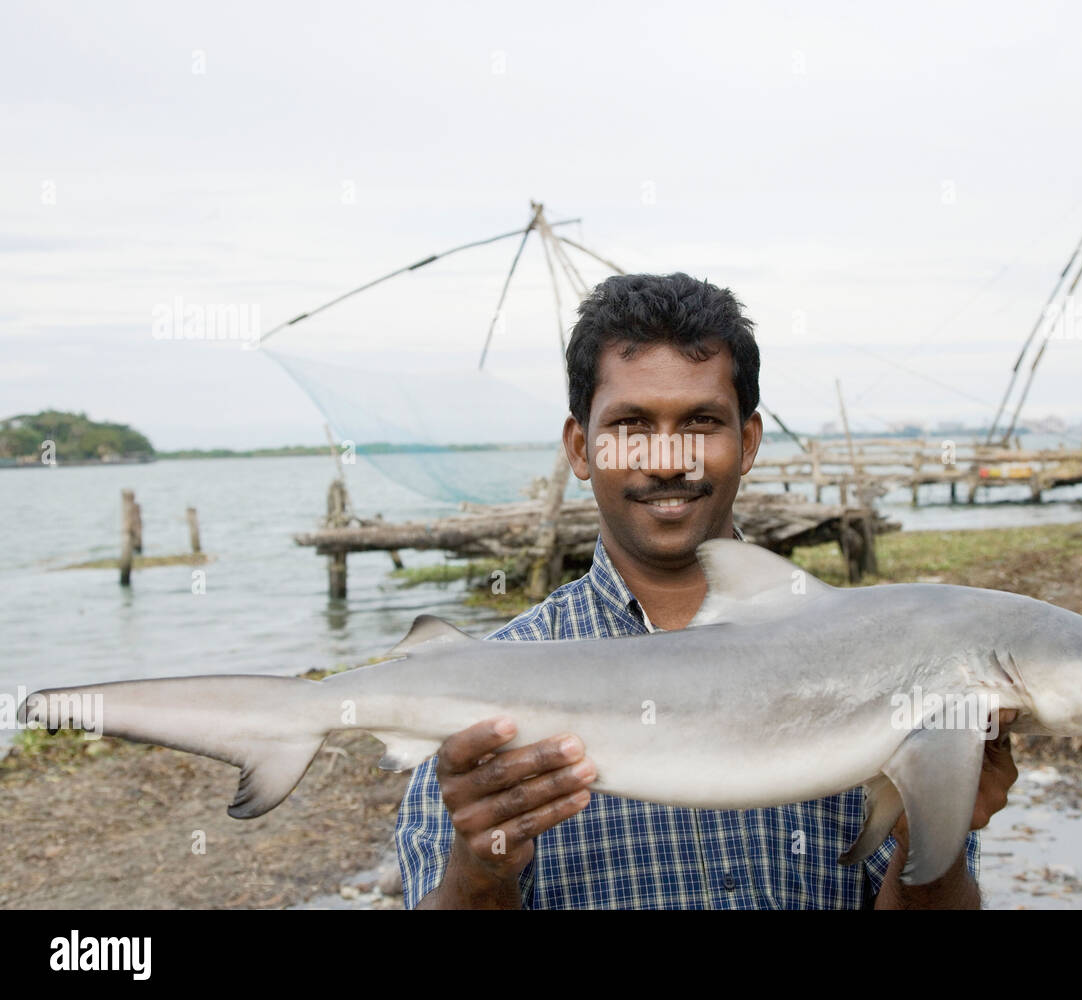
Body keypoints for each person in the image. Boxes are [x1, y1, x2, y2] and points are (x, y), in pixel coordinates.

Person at [395, 272, 1018, 909]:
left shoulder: (889, 662)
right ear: (581, 448)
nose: (668, 460)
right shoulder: (474, 693)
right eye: (631, 425)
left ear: (747, 442)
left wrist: (932, 833)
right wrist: (482, 865)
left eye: (700, 422)